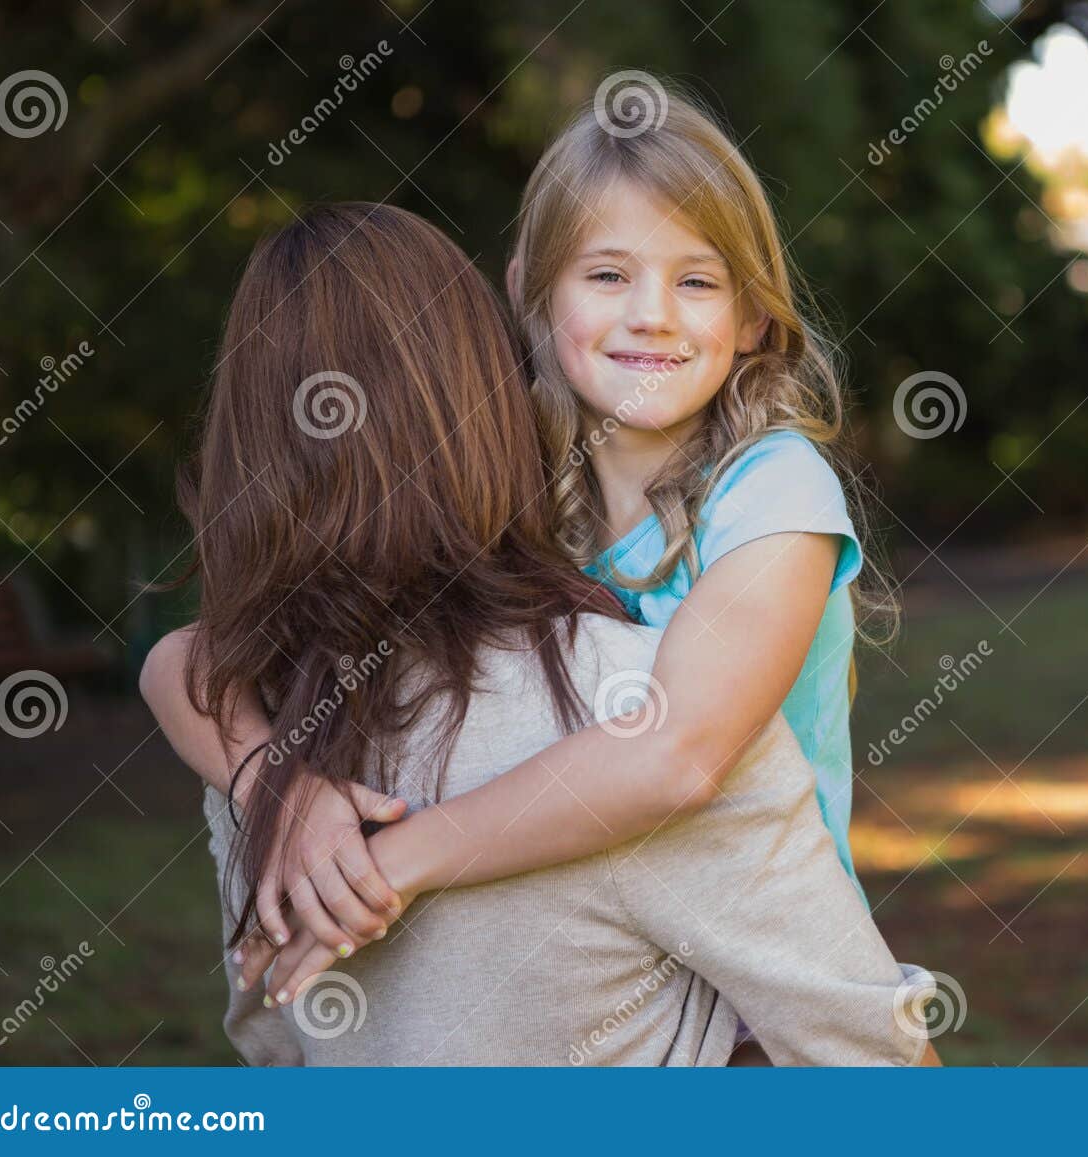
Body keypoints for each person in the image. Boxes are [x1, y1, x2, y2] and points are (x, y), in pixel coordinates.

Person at [145, 84, 900, 1023]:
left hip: (757, 985)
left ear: (753, 318)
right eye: (608, 275)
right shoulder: (519, 490)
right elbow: (184, 661)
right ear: (530, 293)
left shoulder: (775, 489)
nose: (654, 315)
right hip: (586, 961)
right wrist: (282, 792)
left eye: (698, 281)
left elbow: (678, 755)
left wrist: (389, 862)